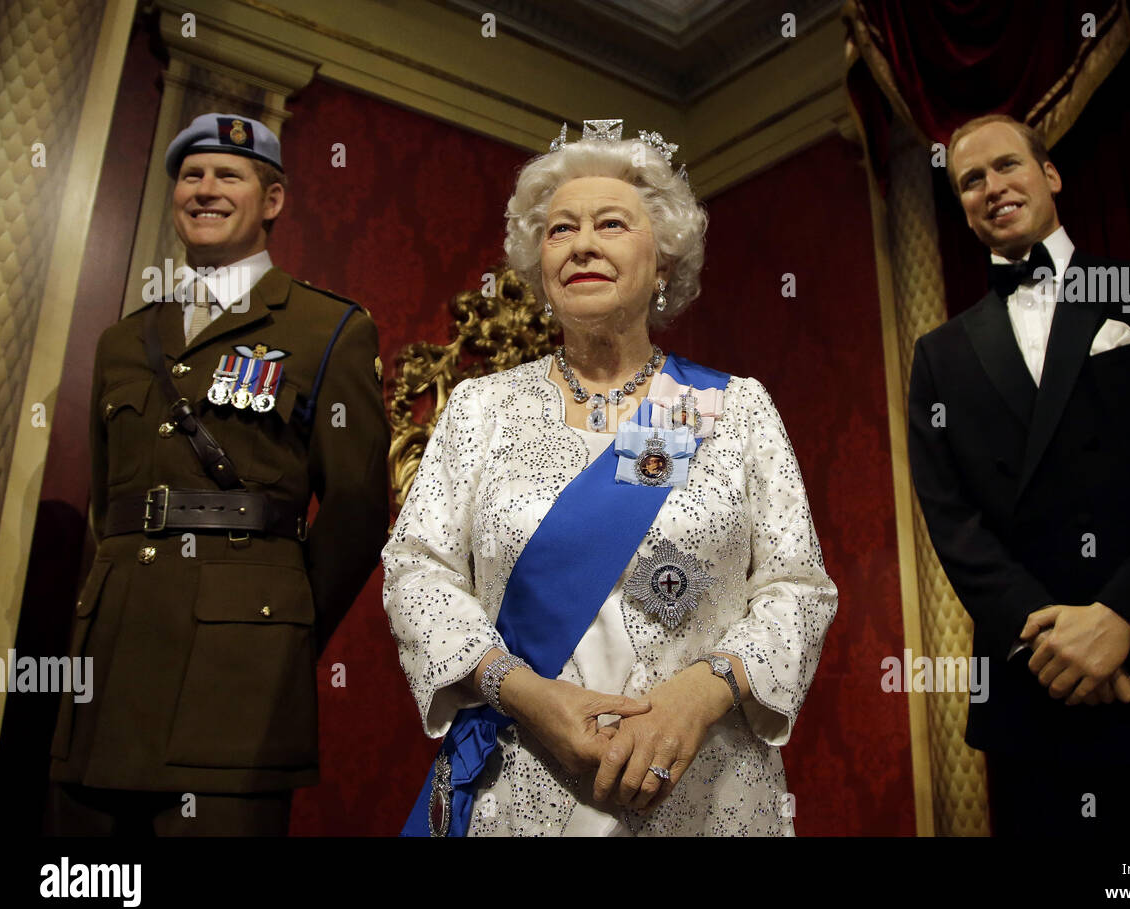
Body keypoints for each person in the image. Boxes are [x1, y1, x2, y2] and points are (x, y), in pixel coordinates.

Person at [383, 120, 838, 836]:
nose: (582, 243)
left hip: (702, 784)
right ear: (540, 267)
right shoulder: (483, 407)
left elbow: (797, 588)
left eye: (611, 223)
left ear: (663, 262)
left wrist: (703, 690)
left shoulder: (729, 407)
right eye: (561, 229)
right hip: (522, 771)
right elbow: (417, 572)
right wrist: (525, 692)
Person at [908, 113, 1130, 837]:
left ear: (1050, 174)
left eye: (1007, 165)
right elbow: (951, 519)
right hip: (1037, 701)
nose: (991, 187)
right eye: (969, 180)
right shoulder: (938, 355)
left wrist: (1121, 616)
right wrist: (1050, 641)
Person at [47, 113, 389, 836]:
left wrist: (278, 628)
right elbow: (116, 505)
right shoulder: (123, 339)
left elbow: (358, 511)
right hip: (107, 669)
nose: (204, 189)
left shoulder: (328, 329)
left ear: (271, 201)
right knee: (81, 882)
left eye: (227, 175)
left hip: (238, 680)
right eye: (191, 175)